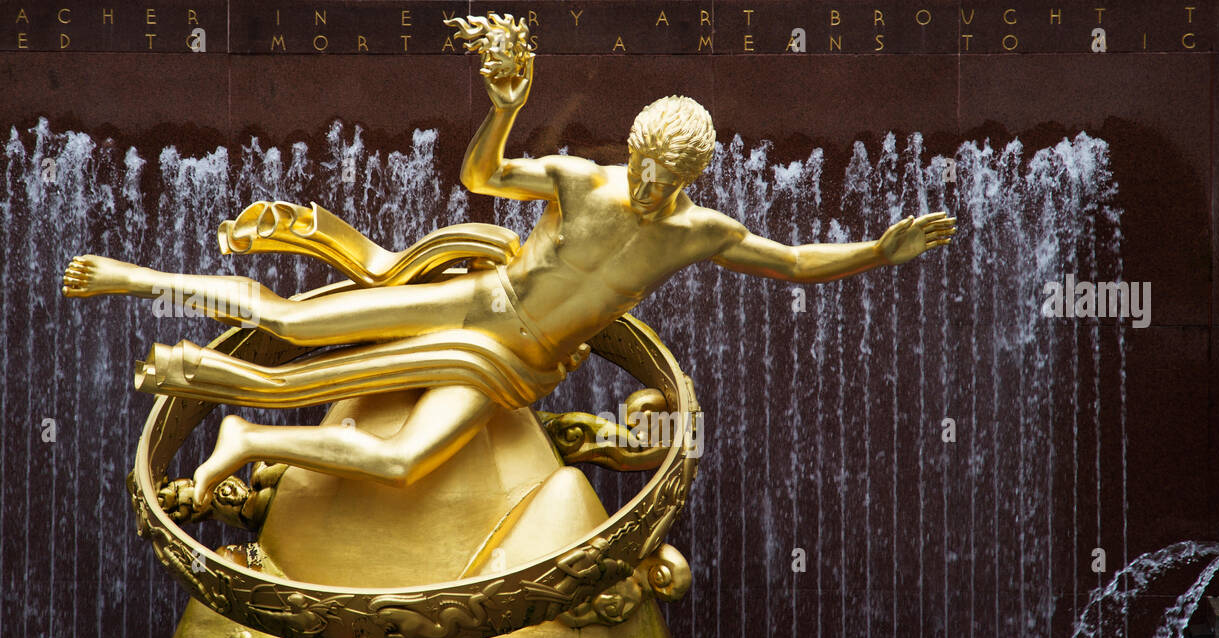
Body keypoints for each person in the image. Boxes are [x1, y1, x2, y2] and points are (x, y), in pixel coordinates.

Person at [63, 35, 955, 505]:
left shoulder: (698, 232)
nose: (649, 188)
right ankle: (132, 278)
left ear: (693, 179)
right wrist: (504, 108)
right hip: (475, 305)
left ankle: (249, 440)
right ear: (633, 151)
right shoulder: (580, 181)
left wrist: (879, 250)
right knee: (289, 322)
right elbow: (482, 178)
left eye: (668, 180)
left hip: (516, 368)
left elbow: (793, 262)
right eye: (644, 169)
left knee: (404, 462)